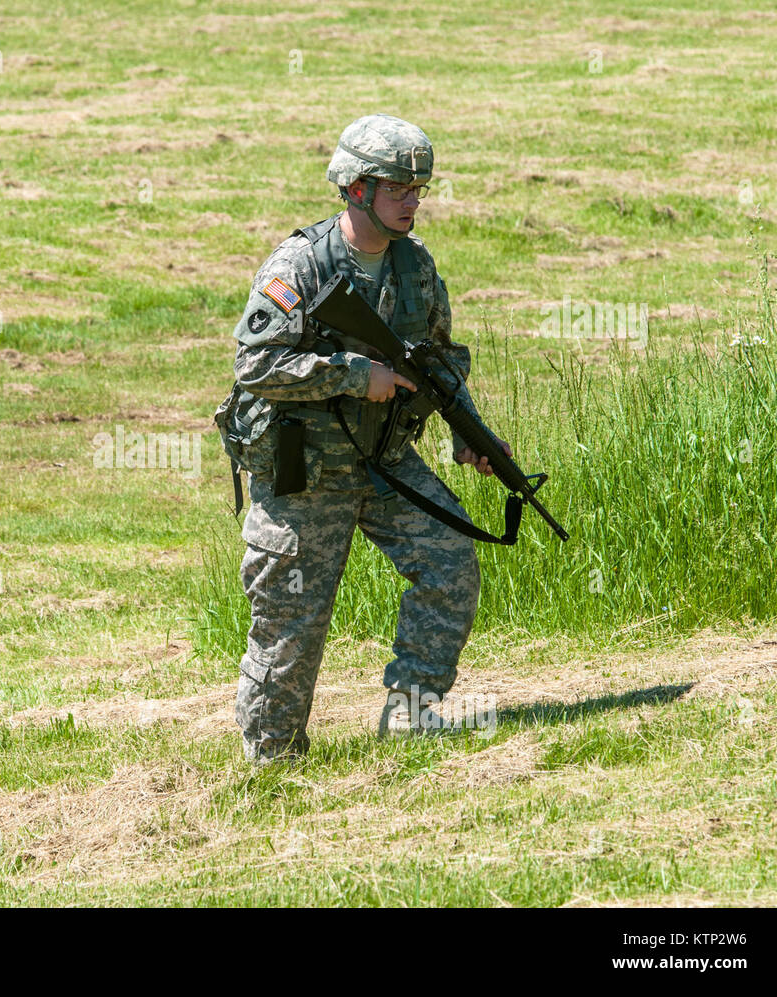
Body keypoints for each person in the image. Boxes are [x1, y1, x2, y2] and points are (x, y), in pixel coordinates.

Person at [214, 114, 509, 764]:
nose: (412, 202)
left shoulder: (416, 268)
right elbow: (254, 364)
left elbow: (438, 359)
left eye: (418, 190)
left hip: (384, 463)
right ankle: (273, 768)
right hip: (307, 474)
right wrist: (353, 375)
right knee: (290, 623)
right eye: (398, 188)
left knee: (450, 564)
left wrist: (469, 434)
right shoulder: (302, 264)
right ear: (355, 188)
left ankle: (410, 713)